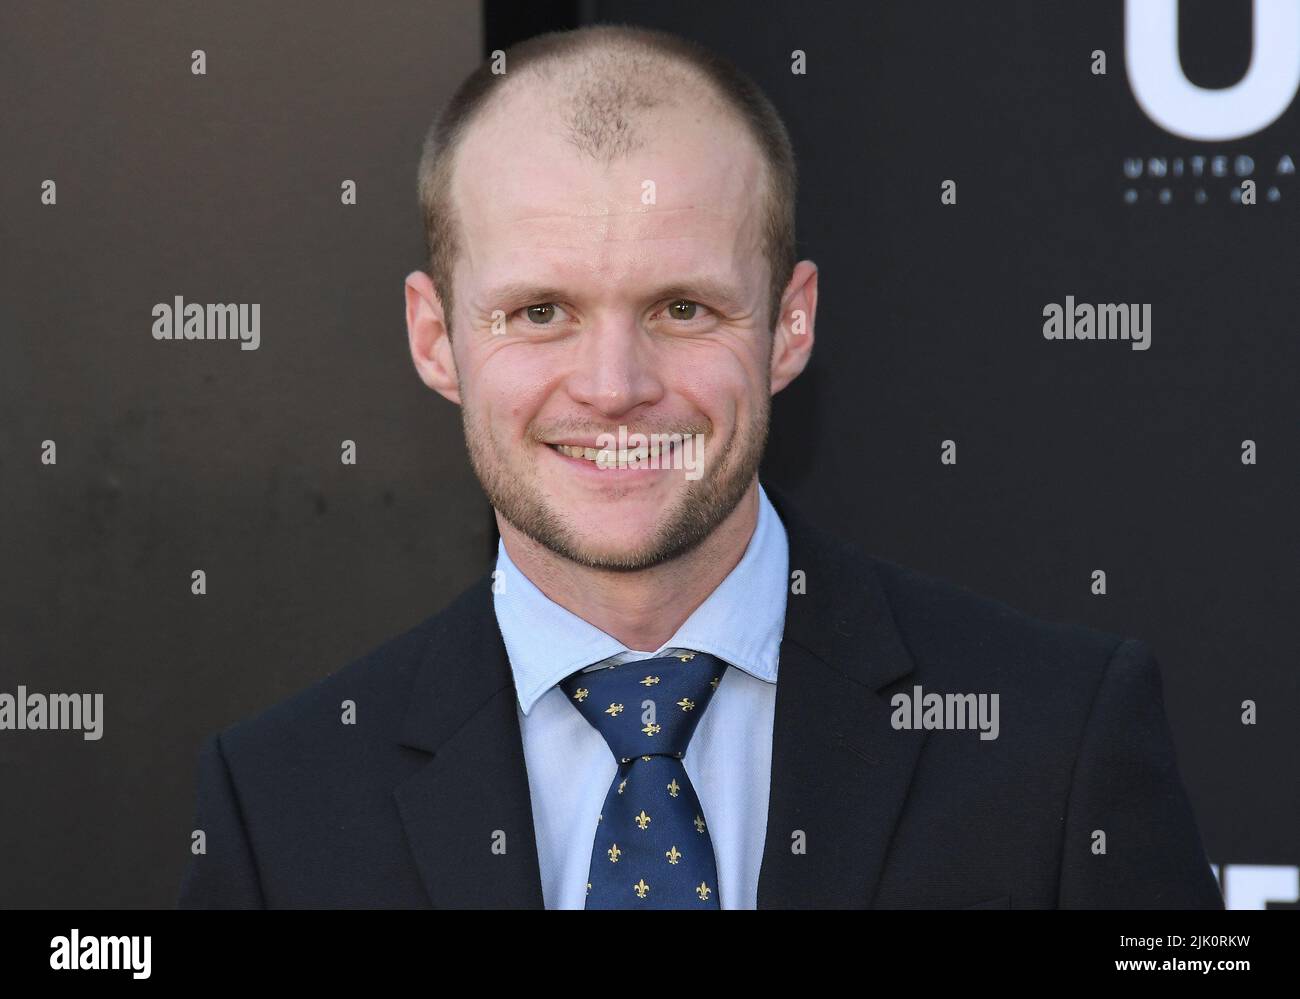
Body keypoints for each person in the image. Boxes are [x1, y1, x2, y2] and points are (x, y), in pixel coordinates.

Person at [177, 24, 1222, 909]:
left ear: (789, 324)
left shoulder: (1055, 740)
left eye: (683, 308)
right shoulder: (278, 804)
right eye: (541, 313)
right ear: (434, 337)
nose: (614, 383)